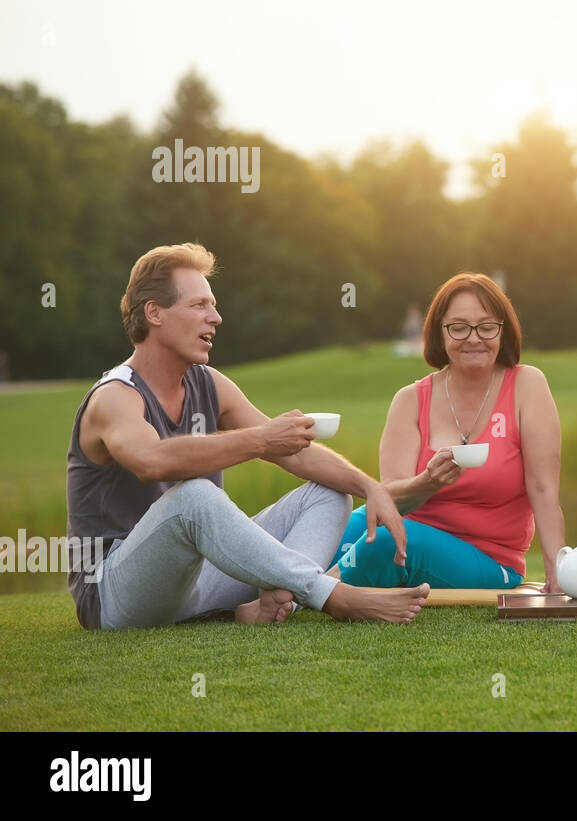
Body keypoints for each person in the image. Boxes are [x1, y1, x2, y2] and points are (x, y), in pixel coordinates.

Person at [66, 243, 429, 630]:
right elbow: (150, 460)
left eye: (214, 305)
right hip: (114, 593)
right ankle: (329, 595)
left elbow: (293, 453)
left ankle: (273, 601)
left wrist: (367, 486)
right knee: (194, 497)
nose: (216, 318)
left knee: (328, 492)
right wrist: (260, 440)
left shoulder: (209, 384)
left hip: (197, 577)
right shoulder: (115, 397)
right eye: (199, 305)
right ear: (154, 312)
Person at [328, 273, 565, 592]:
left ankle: (307, 592)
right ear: (440, 332)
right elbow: (389, 498)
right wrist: (429, 482)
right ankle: (271, 589)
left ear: (502, 331)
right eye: (459, 327)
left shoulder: (527, 385)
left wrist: (556, 571)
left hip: (490, 559)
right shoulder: (410, 400)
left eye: (486, 326)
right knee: (335, 521)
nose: (473, 338)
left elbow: (543, 488)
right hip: (413, 527)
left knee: (386, 542)